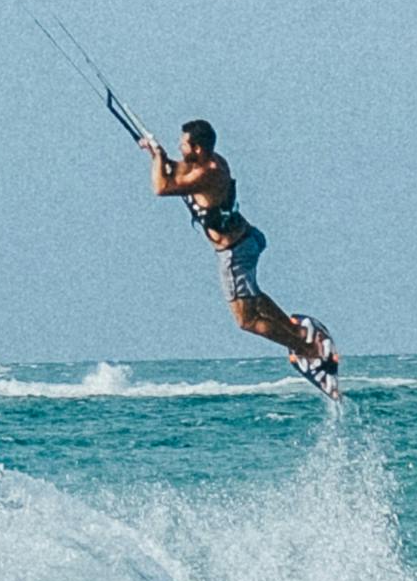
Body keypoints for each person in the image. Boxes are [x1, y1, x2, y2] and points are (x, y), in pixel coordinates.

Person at [143, 119, 338, 385]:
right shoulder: (209, 163)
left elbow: (162, 188)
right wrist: (160, 156)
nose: (179, 147)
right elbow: (178, 171)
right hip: (247, 241)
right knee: (253, 297)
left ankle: (306, 349)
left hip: (233, 253)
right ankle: (296, 331)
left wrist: (156, 158)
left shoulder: (209, 173)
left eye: (183, 144)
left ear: (198, 148)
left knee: (246, 320)